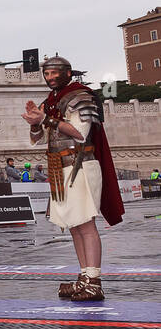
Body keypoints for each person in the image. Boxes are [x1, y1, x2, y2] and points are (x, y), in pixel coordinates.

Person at [22, 55, 123, 301]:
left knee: (86, 225)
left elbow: (79, 133)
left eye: (55, 73)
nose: (50, 77)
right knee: (75, 226)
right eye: (47, 74)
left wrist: (45, 119)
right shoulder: (51, 101)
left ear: (68, 73)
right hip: (59, 167)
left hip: (80, 164)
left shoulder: (81, 96)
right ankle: (84, 276)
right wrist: (35, 123)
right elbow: (36, 139)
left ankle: (94, 281)